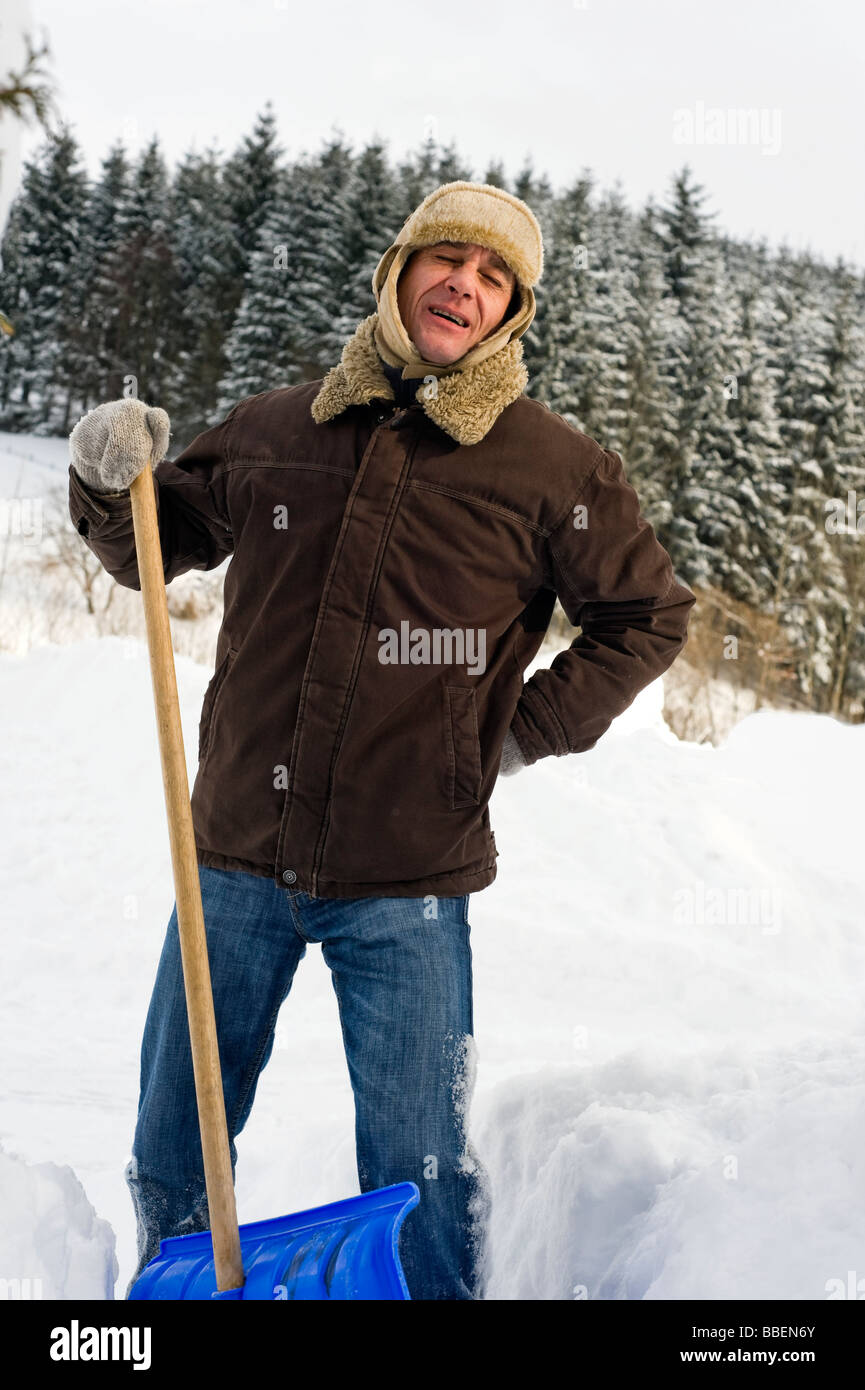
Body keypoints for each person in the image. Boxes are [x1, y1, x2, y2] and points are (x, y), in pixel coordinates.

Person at [67, 180, 696, 1300]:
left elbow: (647, 616)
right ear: (400, 273)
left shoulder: (553, 468)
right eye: (446, 259)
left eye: (494, 275)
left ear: (511, 313)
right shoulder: (280, 424)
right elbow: (150, 545)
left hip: (406, 875)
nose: (465, 283)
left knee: (418, 1172)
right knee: (173, 1148)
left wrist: (516, 730)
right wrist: (106, 479)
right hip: (232, 855)